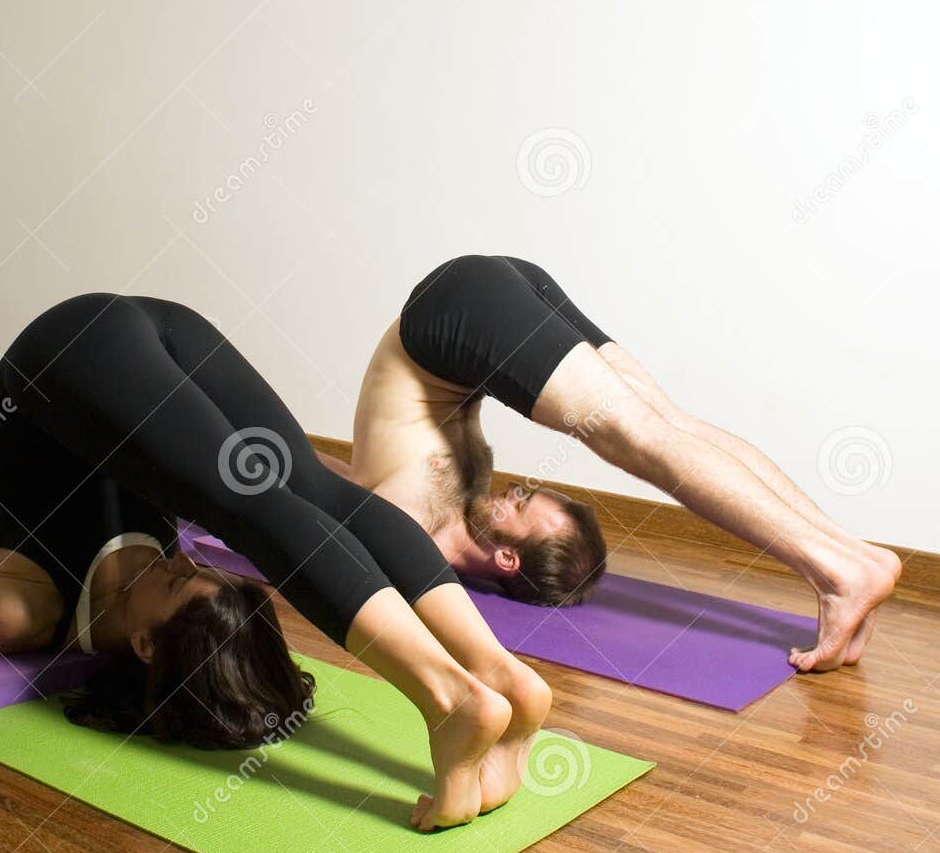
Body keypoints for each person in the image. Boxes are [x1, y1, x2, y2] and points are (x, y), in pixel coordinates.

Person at [0, 292, 551, 830]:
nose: (184, 566)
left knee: (259, 499)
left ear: (144, 643)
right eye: (198, 575)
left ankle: (456, 694)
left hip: (68, 353)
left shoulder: (13, 613)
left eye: (180, 584)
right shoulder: (128, 585)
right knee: (306, 490)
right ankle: (487, 675)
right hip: (155, 340)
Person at [333, 255, 901, 673]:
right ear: (508, 558)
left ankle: (842, 565)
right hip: (479, 301)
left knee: (652, 431)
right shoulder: (431, 533)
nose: (512, 490)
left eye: (521, 502)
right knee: (661, 426)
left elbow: (320, 493)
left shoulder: (404, 517)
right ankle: (850, 559)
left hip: (454, 310)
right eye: (524, 500)